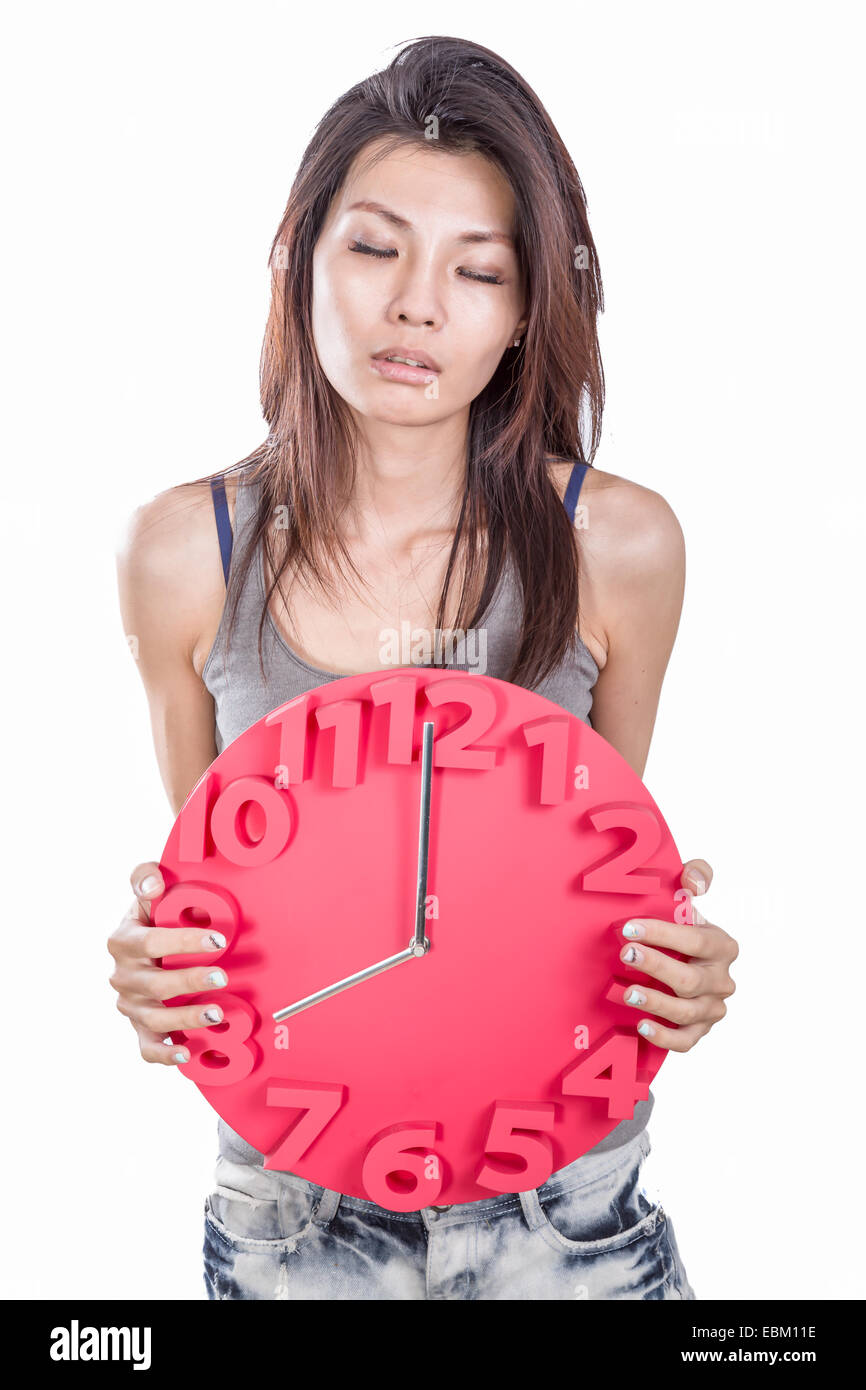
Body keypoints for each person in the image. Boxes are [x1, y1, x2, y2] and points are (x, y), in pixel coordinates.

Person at [108, 35, 738, 1300]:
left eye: (478, 269)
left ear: (523, 311)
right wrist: (156, 974)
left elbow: (579, 896)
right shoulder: (188, 553)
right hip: (293, 1212)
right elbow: (216, 900)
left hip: (566, 1214)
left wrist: (677, 975)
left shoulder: (617, 545)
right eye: (375, 245)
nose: (416, 305)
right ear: (298, 259)